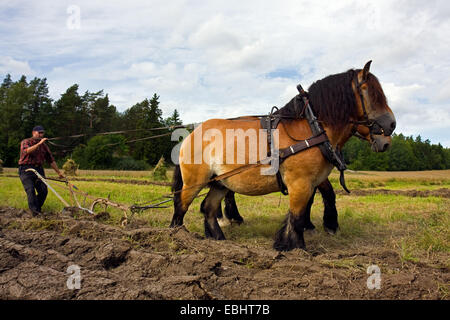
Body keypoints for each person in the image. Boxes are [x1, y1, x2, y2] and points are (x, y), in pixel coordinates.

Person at [18, 125, 65, 216]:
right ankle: (35, 212)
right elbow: (27, 151)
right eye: (39, 133)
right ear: (33, 133)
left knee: (43, 191)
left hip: (38, 169)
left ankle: (37, 210)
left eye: (42, 133)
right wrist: (39, 144)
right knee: (30, 190)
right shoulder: (26, 141)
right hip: (26, 169)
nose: (41, 134)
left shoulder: (44, 146)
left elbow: (51, 160)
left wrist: (59, 173)